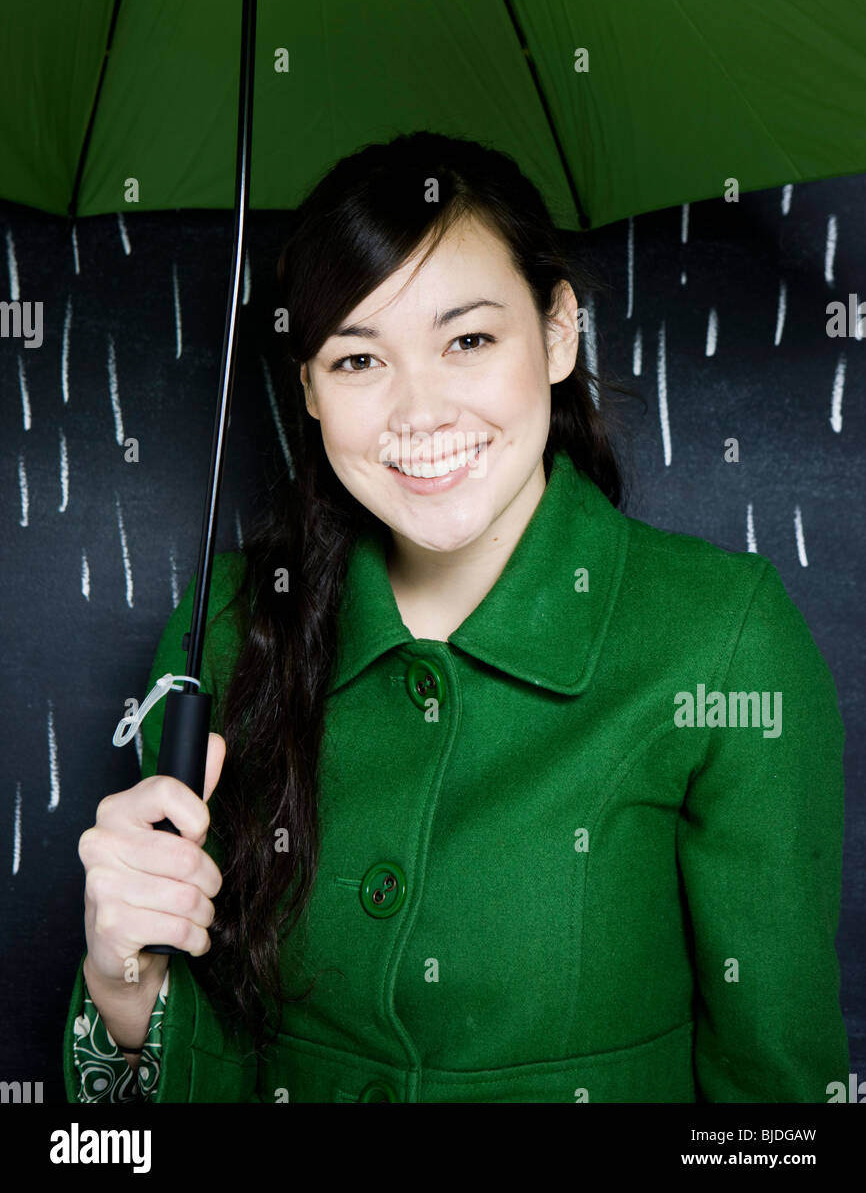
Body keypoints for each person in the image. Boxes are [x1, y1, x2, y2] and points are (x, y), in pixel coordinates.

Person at [63, 130, 849, 1103]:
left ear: (557, 330)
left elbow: (776, 1103)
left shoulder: (721, 639)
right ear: (305, 384)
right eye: (356, 360)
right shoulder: (223, 627)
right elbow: (135, 1114)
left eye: (467, 339)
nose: (418, 412)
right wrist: (120, 979)